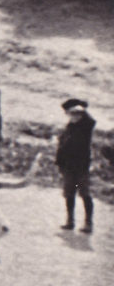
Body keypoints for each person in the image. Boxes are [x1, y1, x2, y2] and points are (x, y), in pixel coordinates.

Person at [57, 97, 96, 234]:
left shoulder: (86, 126)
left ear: (81, 113)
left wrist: (82, 106)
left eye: (76, 113)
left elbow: (91, 120)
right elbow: (62, 147)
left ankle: (88, 223)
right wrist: (59, 163)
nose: (72, 116)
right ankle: (70, 221)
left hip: (81, 167)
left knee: (85, 194)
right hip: (69, 167)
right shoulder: (69, 128)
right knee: (69, 194)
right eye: (70, 113)